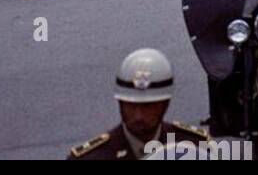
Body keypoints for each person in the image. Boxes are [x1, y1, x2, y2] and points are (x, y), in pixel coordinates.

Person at [66, 49, 209, 162]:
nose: (138, 115)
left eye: (148, 106)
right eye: (131, 106)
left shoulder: (196, 148)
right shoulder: (92, 157)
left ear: (165, 104)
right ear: (120, 103)